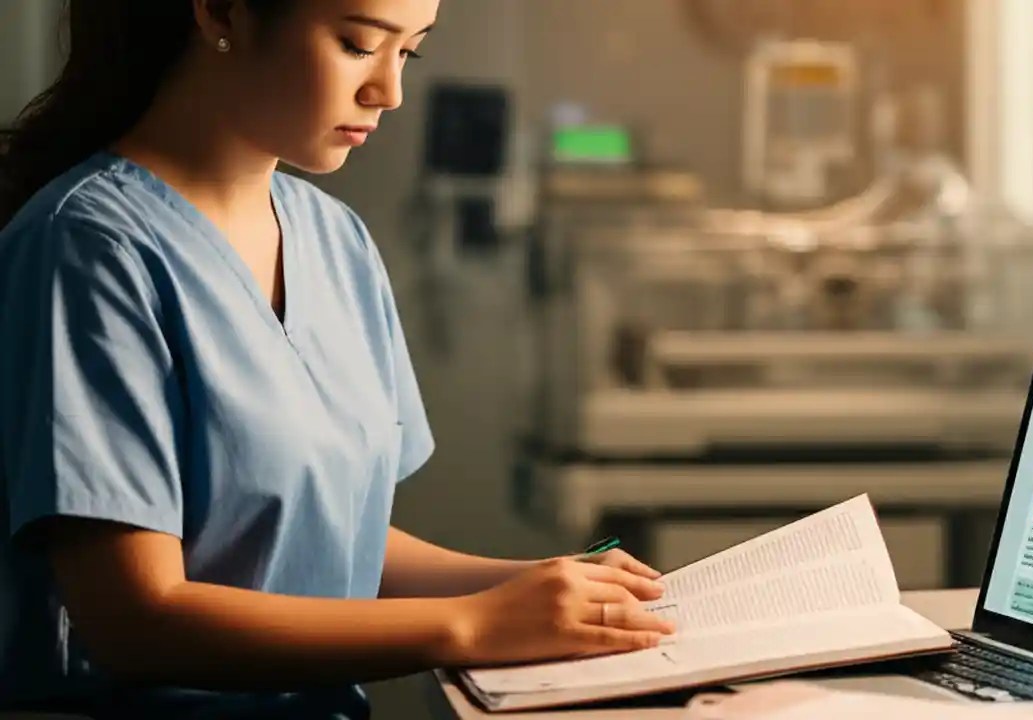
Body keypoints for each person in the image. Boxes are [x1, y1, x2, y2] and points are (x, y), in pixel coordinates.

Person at [0, 1, 674, 717]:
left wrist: (539, 583)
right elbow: (136, 620)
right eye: (358, 45)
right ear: (224, 11)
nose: (389, 91)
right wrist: (474, 624)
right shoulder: (88, 246)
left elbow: (330, 540)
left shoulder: (334, 238)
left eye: (408, 53)